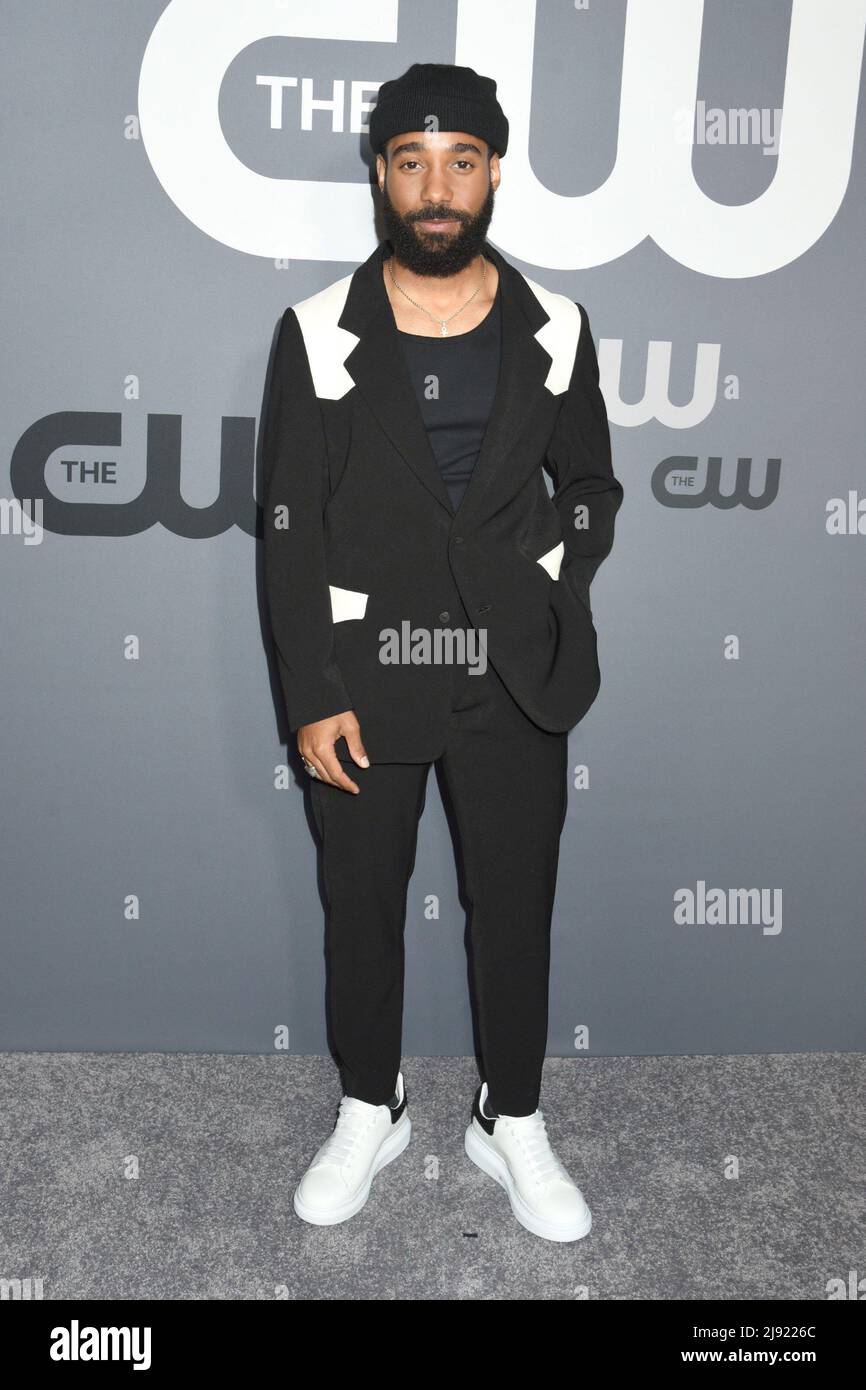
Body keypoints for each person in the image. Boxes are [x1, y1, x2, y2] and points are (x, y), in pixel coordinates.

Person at [261, 62, 623, 1242]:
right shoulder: (315, 332)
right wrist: (310, 691)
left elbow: (592, 485)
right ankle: (374, 1102)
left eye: (459, 162)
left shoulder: (558, 325)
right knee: (357, 903)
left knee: (513, 907)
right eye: (410, 162)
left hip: (514, 673)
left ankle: (507, 1115)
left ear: (492, 173)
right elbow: (287, 525)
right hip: (368, 676)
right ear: (378, 172)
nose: (434, 187)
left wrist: (551, 571)